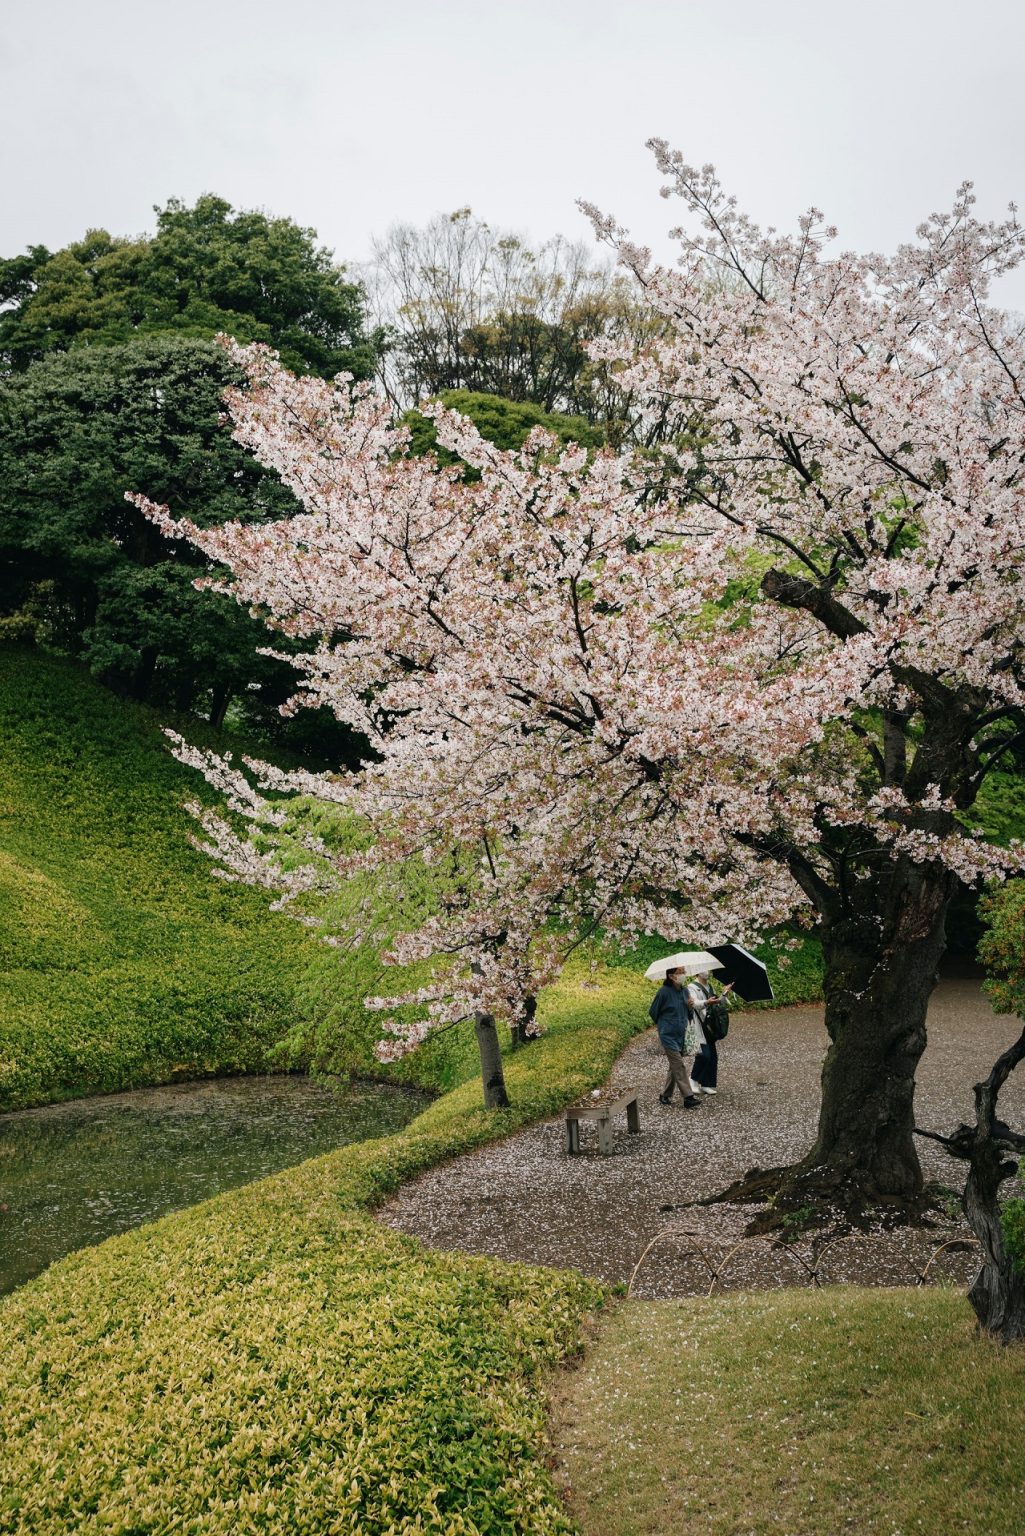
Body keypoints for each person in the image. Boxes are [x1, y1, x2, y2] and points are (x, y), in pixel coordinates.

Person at [648, 966, 702, 1108]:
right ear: (671, 976)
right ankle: (688, 1097)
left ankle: (665, 1095)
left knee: (674, 1066)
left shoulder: (684, 991)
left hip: (681, 1034)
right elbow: (653, 1012)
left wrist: (690, 1007)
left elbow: (688, 1015)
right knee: (679, 1065)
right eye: (680, 972)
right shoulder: (663, 992)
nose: (683, 974)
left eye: (684, 972)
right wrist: (664, 1025)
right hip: (667, 1035)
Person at [687, 971, 734, 1095]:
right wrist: (707, 1002)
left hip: (709, 1026)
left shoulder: (710, 986)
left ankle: (706, 1084)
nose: (707, 972)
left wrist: (724, 993)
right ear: (697, 972)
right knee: (704, 1054)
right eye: (704, 970)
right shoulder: (692, 987)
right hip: (699, 1025)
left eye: (708, 970)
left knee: (712, 1056)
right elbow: (694, 1004)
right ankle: (692, 1079)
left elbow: (718, 1003)